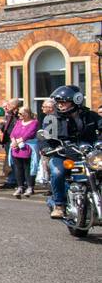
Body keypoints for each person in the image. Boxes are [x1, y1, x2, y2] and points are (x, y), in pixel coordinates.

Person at [39, 85, 100, 219]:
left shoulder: (90, 116)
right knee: (57, 172)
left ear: (76, 101)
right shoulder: (52, 118)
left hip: (88, 154)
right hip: (62, 154)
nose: (60, 105)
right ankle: (59, 205)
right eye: (59, 103)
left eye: (64, 102)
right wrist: (46, 148)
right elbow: (45, 138)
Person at [9, 106, 38, 199]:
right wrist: (13, 141)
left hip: (26, 147)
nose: (18, 115)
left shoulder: (34, 122)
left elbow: (29, 134)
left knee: (27, 167)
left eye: (20, 113)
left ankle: (30, 186)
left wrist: (17, 142)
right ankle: (20, 186)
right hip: (16, 148)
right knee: (18, 168)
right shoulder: (18, 122)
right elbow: (12, 133)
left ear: (26, 114)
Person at [0, 98, 23, 189]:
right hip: (8, 140)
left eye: (9, 104)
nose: (6, 107)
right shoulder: (9, 115)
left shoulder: (19, 115)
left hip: (17, 141)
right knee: (10, 162)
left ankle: (17, 181)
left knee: (16, 162)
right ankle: (11, 180)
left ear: (15, 106)